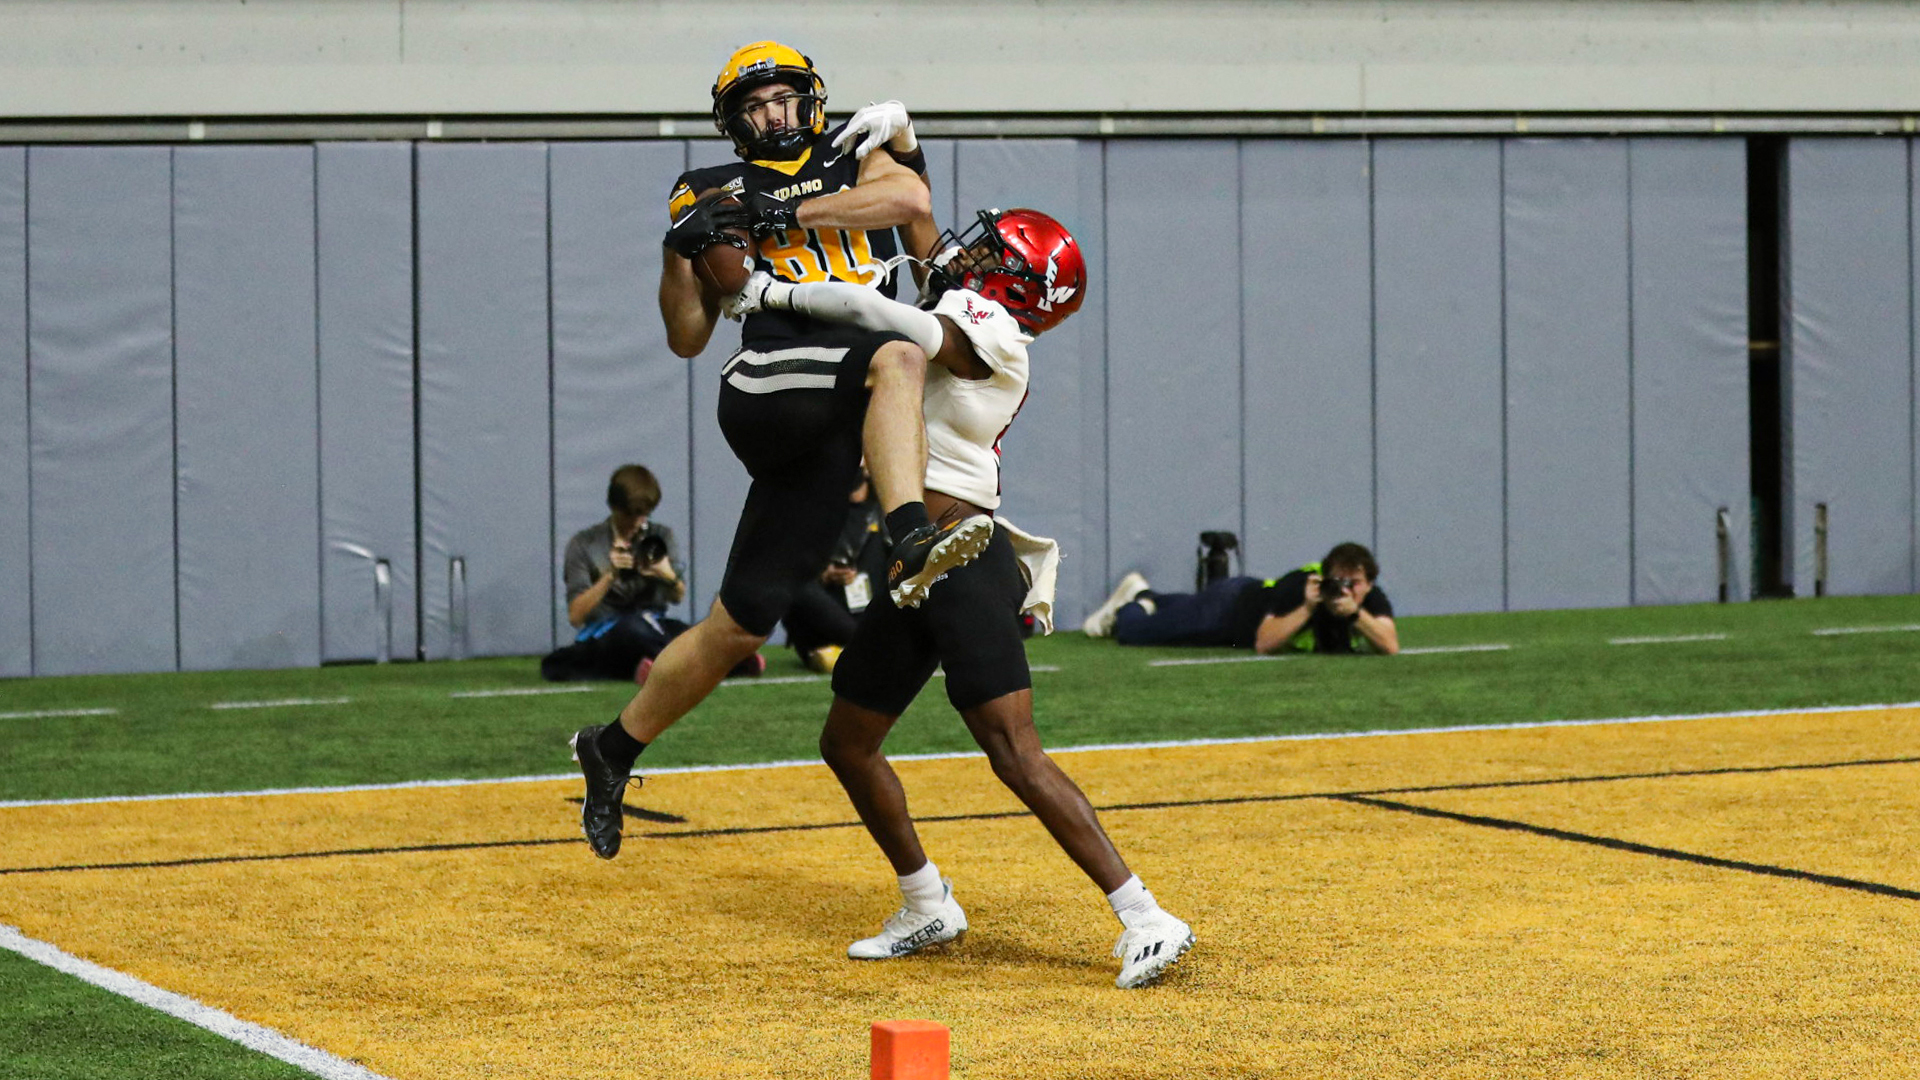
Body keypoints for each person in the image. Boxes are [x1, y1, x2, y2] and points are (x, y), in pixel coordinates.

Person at [728, 201, 1195, 989]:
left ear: (1014, 281)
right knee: (847, 741)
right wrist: (904, 140)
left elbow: (876, 308)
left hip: (963, 554)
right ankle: (925, 902)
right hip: (918, 561)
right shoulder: (978, 306)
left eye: (991, 252)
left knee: (1014, 752)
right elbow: (924, 236)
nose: (967, 256)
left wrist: (770, 293)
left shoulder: (993, 330)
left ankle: (1146, 914)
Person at [570, 43, 991, 861]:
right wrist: (676, 252)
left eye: (784, 98)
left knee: (741, 622)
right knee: (900, 354)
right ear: (733, 122)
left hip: (847, 401)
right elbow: (690, 336)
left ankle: (611, 747)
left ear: (813, 100)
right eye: (755, 105)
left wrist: (793, 214)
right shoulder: (708, 188)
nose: (773, 114)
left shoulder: (853, 155)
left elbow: (907, 198)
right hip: (771, 381)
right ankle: (910, 537)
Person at [1083, 541, 1400, 656]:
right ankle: (1133, 604)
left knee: (1180, 611)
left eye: (1354, 583)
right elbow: (1264, 643)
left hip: (1237, 602)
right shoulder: (1302, 585)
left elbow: (1389, 645)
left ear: (1369, 583)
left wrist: (1354, 614)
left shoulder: (1368, 598)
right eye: (1338, 580)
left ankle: (1150, 596)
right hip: (1228, 611)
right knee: (1135, 634)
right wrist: (1307, 607)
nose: (1344, 589)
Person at [540, 465, 693, 682]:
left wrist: (666, 574)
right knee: (628, 630)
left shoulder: (660, 536)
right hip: (608, 630)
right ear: (613, 507)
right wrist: (609, 577)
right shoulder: (584, 544)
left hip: (654, 625)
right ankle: (671, 664)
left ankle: (656, 665)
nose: (635, 522)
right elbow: (576, 616)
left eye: (642, 515)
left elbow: (677, 596)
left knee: (696, 635)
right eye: (628, 515)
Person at [780, 471, 887, 674]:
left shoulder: (884, 512)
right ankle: (867, 648)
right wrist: (824, 574)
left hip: (869, 615)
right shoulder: (813, 511)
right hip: (826, 620)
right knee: (794, 583)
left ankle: (858, 650)